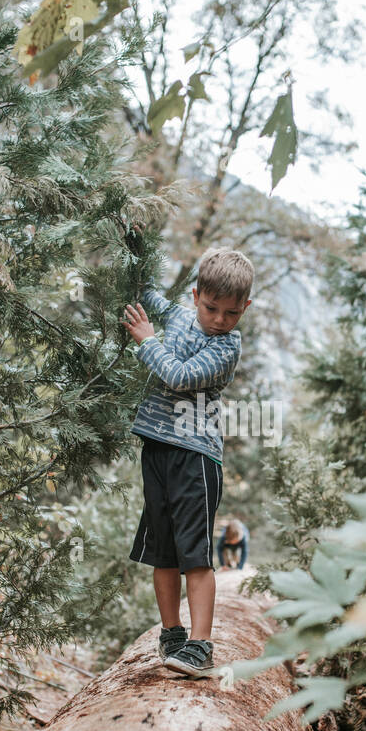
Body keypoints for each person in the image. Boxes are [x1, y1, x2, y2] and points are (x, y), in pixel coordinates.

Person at [122, 248, 253, 677]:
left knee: (194, 555)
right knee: (164, 552)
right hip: (157, 448)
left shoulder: (226, 347)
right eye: (211, 308)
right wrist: (135, 246)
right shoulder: (180, 315)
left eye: (231, 313)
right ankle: (172, 634)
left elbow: (176, 376)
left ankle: (201, 645)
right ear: (196, 296)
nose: (219, 319)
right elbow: (149, 294)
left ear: (244, 309)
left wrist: (146, 340)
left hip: (195, 456)